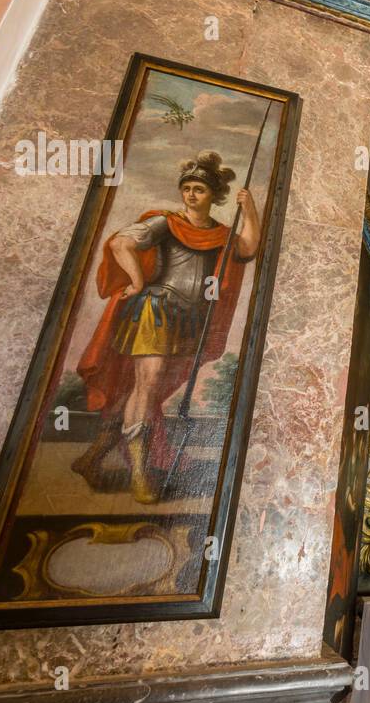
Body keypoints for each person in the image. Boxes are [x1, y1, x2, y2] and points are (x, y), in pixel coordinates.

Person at [72, 151, 260, 503]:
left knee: (147, 391)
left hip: (187, 320)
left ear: (213, 196)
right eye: (186, 188)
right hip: (154, 312)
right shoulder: (166, 223)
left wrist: (248, 208)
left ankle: (91, 458)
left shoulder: (220, 234)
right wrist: (138, 281)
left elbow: (248, 248)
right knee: (148, 383)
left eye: (199, 190)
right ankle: (140, 474)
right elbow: (120, 243)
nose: (191, 194)